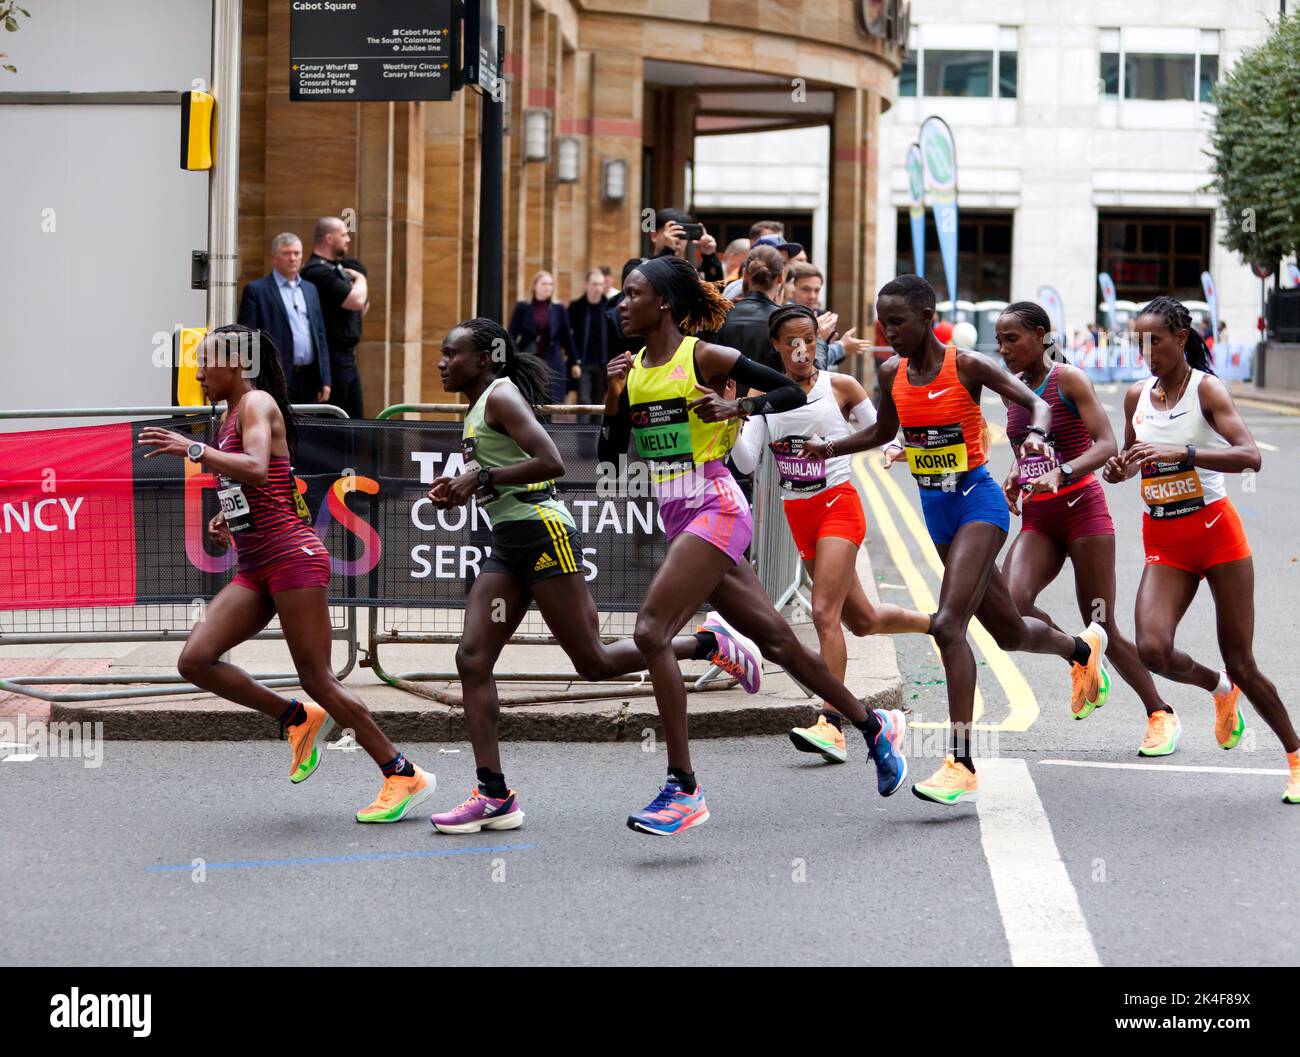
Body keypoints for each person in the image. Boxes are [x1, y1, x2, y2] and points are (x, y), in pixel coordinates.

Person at [599, 255, 910, 835]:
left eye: (633, 293)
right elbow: (612, 455)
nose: (622, 303)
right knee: (780, 644)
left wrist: (737, 406)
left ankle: (682, 787)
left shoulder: (703, 356)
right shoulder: (635, 367)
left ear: (662, 303)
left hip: (716, 507)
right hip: (678, 512)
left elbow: (786, 394)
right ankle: (872, 726)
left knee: (650, 632)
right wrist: (615, 394)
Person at [425, 319, 761, 833]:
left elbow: (553, 461)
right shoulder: (477, 405)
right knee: (471, 658)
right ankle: (493, 794)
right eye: (442, 354)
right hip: (507, 545)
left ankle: (705, 642)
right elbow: (494, 471)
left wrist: (483, 477)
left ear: (486, 358)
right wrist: (461, 486)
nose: (443, 362)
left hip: (543, 535)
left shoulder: (501, 397)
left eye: (452, 354)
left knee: (595, 661)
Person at [802, 276, 1107, 807]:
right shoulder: (890, 371)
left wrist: (1036, 436)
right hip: (936, 511)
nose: (889, 331)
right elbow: (879, 433)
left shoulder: (967, 365)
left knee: (948, 625)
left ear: (926, 315)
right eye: (883, 322)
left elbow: (1036, 406)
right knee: (1009, 631)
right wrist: (829, 449)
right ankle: (1080, 649)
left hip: (977, 502)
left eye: (898, 321)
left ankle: (961, 761)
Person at [138, 325, 434, 822]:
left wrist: (188, 450)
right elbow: (259, 483)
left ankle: (403, 773)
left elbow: (255, 466)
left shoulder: (256, 405)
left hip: (292, 556)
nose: (198, 373)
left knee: (317, 677)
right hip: (256, 564)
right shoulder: (233, 415)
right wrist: (225, 518)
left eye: (205, 362)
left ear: (235, 363)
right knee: (196, 660)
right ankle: (295, 716)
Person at [1102, 296, 1300, 801]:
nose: (1146, 351)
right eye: (1139, 341)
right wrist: (1121, 469)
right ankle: (1218, 690)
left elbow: (1250, 456)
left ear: (1181, 339)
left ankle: (1296, 756)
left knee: (1243, 661)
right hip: (1163, 537)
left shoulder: (1205, 389)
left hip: (1215, 533)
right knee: (1152, 648)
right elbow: (1131, 455)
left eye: (1156, 341)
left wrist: (1184, 452)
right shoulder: (1135, 397)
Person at [731, 304, 931, 764]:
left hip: (839, 505)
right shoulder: (764, 395)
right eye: (791, 343)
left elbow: (880, 431)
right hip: (797, 513)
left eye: (809, 341)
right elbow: (745, 461)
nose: (802, 351)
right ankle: (937, 624)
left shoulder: (840, 386)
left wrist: (895, 448)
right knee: (859, 620)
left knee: (823, 613)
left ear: (817, 343)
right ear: (777, 347)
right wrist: (730, 420)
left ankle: (832, 724)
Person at [995, 301, 1173, 741]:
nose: (1004, 349)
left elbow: (1107, 443)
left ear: (1040, 335)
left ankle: (1160, 713)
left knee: (1103, 624)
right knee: (1010, 607)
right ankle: (1078, 657)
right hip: (1039, 518)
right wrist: (1017, 475)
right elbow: (1027, 449)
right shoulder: (1011, 389)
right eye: (999, 340)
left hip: (1083, 513)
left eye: (1012, 339)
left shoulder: (1068, 379)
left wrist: (1065, 470)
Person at [237, 233, 332, 405]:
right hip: (275, 377)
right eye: (286, 253)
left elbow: (320, 336)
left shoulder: (310, 290)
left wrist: (325, 379)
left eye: (297, 253)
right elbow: (247, 339)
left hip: (310, 378)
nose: (292, 258)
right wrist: (249, 381)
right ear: (274, 258)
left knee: (309, 429)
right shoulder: (257, 291)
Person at [300, 217, 369, 419]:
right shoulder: (316, 271)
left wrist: (357, 286)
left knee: (355, 418)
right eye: (343, 235)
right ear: (329, 239)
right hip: (332, 357)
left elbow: (362, 307)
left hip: (348, 357)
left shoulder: (338, 268)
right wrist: (361, 279)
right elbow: (356, 301)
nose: (348, 239)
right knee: (337, 420)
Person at [715, 244, 786, 387]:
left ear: (746, 275)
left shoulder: (717, 317)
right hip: (771, 404)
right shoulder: (786, 321)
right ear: (780, 278)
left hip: (722, 403)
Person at [507, 271, 577, 405]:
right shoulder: (523, 307)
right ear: (535, 286)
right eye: (544, 284)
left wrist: (574, 362)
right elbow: (511, 333)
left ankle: (547, 427)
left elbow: (567, 337)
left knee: (550, 402)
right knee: (529, 400)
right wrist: (515, 357)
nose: (548, 287)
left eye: (551, 284)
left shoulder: (559, 308)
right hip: (529, 361)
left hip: (552, 361)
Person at [567, 268, 615, 416]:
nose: (598, 288)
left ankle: (596, 438)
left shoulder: (609, 306)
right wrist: (574, 361)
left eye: (601, 284)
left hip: (604, 363)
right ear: (586, 285)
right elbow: (569, 337)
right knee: (584, 402)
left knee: (600, 404)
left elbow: (615, 337)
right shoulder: (576, 307)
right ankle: (582, 438)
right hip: (584, 363)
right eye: (594, 284)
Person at [649, 208, 723, 282]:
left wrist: (709, 256)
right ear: (654, 235)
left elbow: (717, 289)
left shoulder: (690, 273)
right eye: (673, 234)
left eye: (682, 235)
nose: (677, 240)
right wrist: (667, 250)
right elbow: (655, 278)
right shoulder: (640, 266)